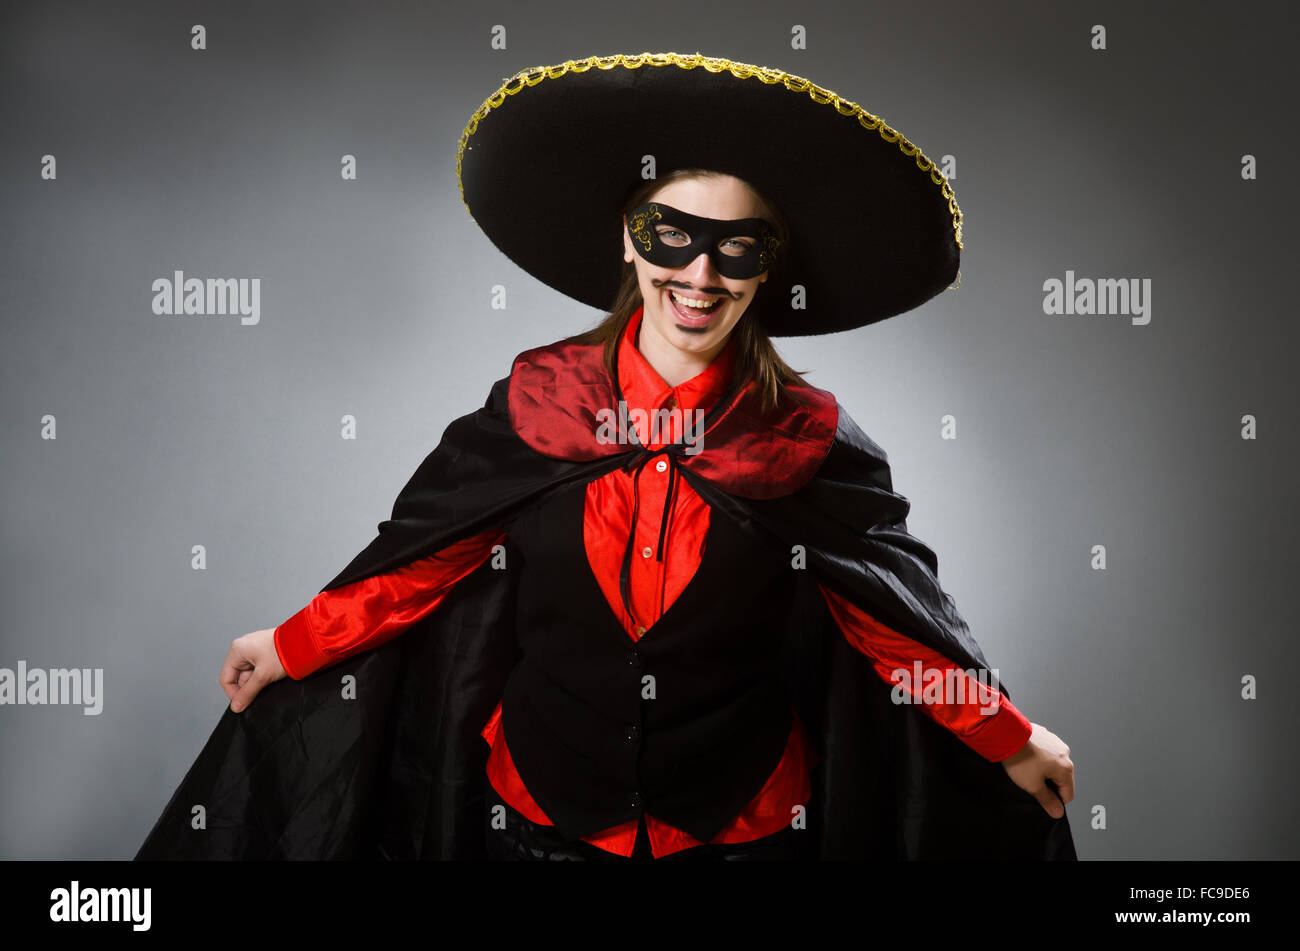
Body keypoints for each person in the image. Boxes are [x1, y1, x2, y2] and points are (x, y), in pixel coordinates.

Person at [135, 52, 1076, 861]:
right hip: (540, 819)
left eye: (736, 249)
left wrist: (1006, 735)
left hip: (742, 830)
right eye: (672, 234)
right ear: (630, 242)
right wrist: (292, 644)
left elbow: (893, 623)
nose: (699, 276)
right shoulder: (539, 404)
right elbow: (424, 560)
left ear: (765, 269)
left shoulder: (806, 439)